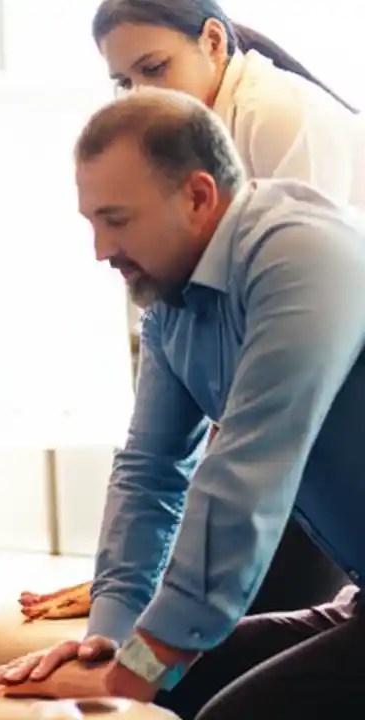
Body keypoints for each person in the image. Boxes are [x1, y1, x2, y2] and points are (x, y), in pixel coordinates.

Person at [0, 88, 365, 718]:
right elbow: (151, 471)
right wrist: (110, 636)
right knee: (182, 684)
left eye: (117, 220)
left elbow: (246, 471)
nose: (100, 250)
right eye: (92, 223)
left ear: (197, 196)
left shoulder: (302, 254)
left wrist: (141, 665)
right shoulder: (170, 302)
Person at [19, 0, 362, 622]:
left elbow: (262, 439)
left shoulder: (275, 122)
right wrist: (121, 601)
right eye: (126, 82)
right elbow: (152, 464)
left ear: (211, 41)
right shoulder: (178, 277)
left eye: (155, 67)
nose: (141, 94)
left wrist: (151, 638)